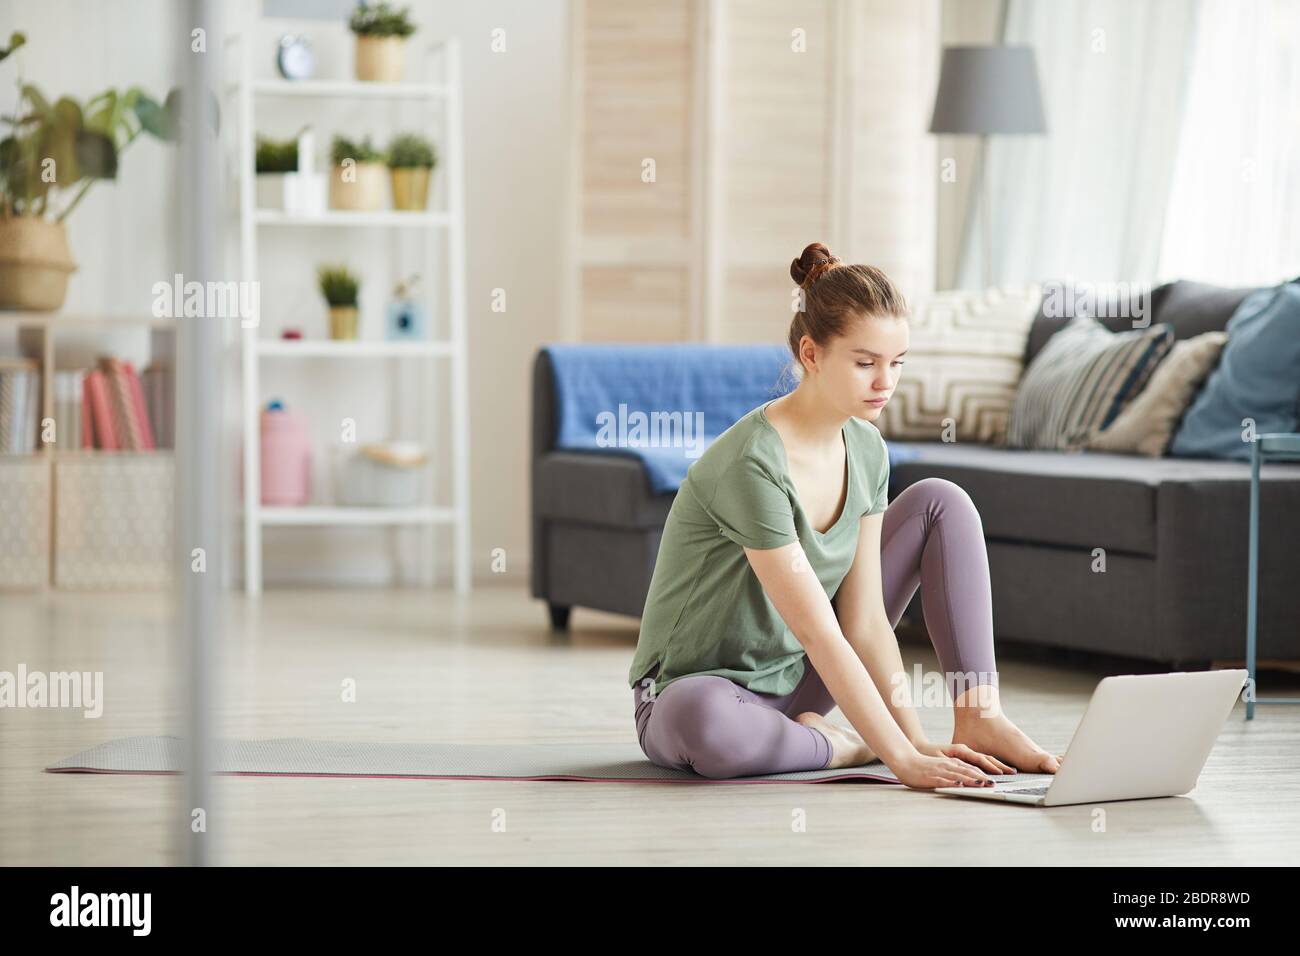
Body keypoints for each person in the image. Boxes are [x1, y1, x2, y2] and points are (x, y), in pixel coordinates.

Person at [627, 242, 1065, 788]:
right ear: (811, 355)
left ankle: (980, 715)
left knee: (941, 501)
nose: (886, 383)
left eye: (896, 364)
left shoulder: (867, 448)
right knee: (706, 722)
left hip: (794, 680)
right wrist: (897, 761)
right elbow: (819, 632)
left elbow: (862, 622)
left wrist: (914, 743)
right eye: (865, 364)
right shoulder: (750, 465)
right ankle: (836, 749)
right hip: (694, 693)